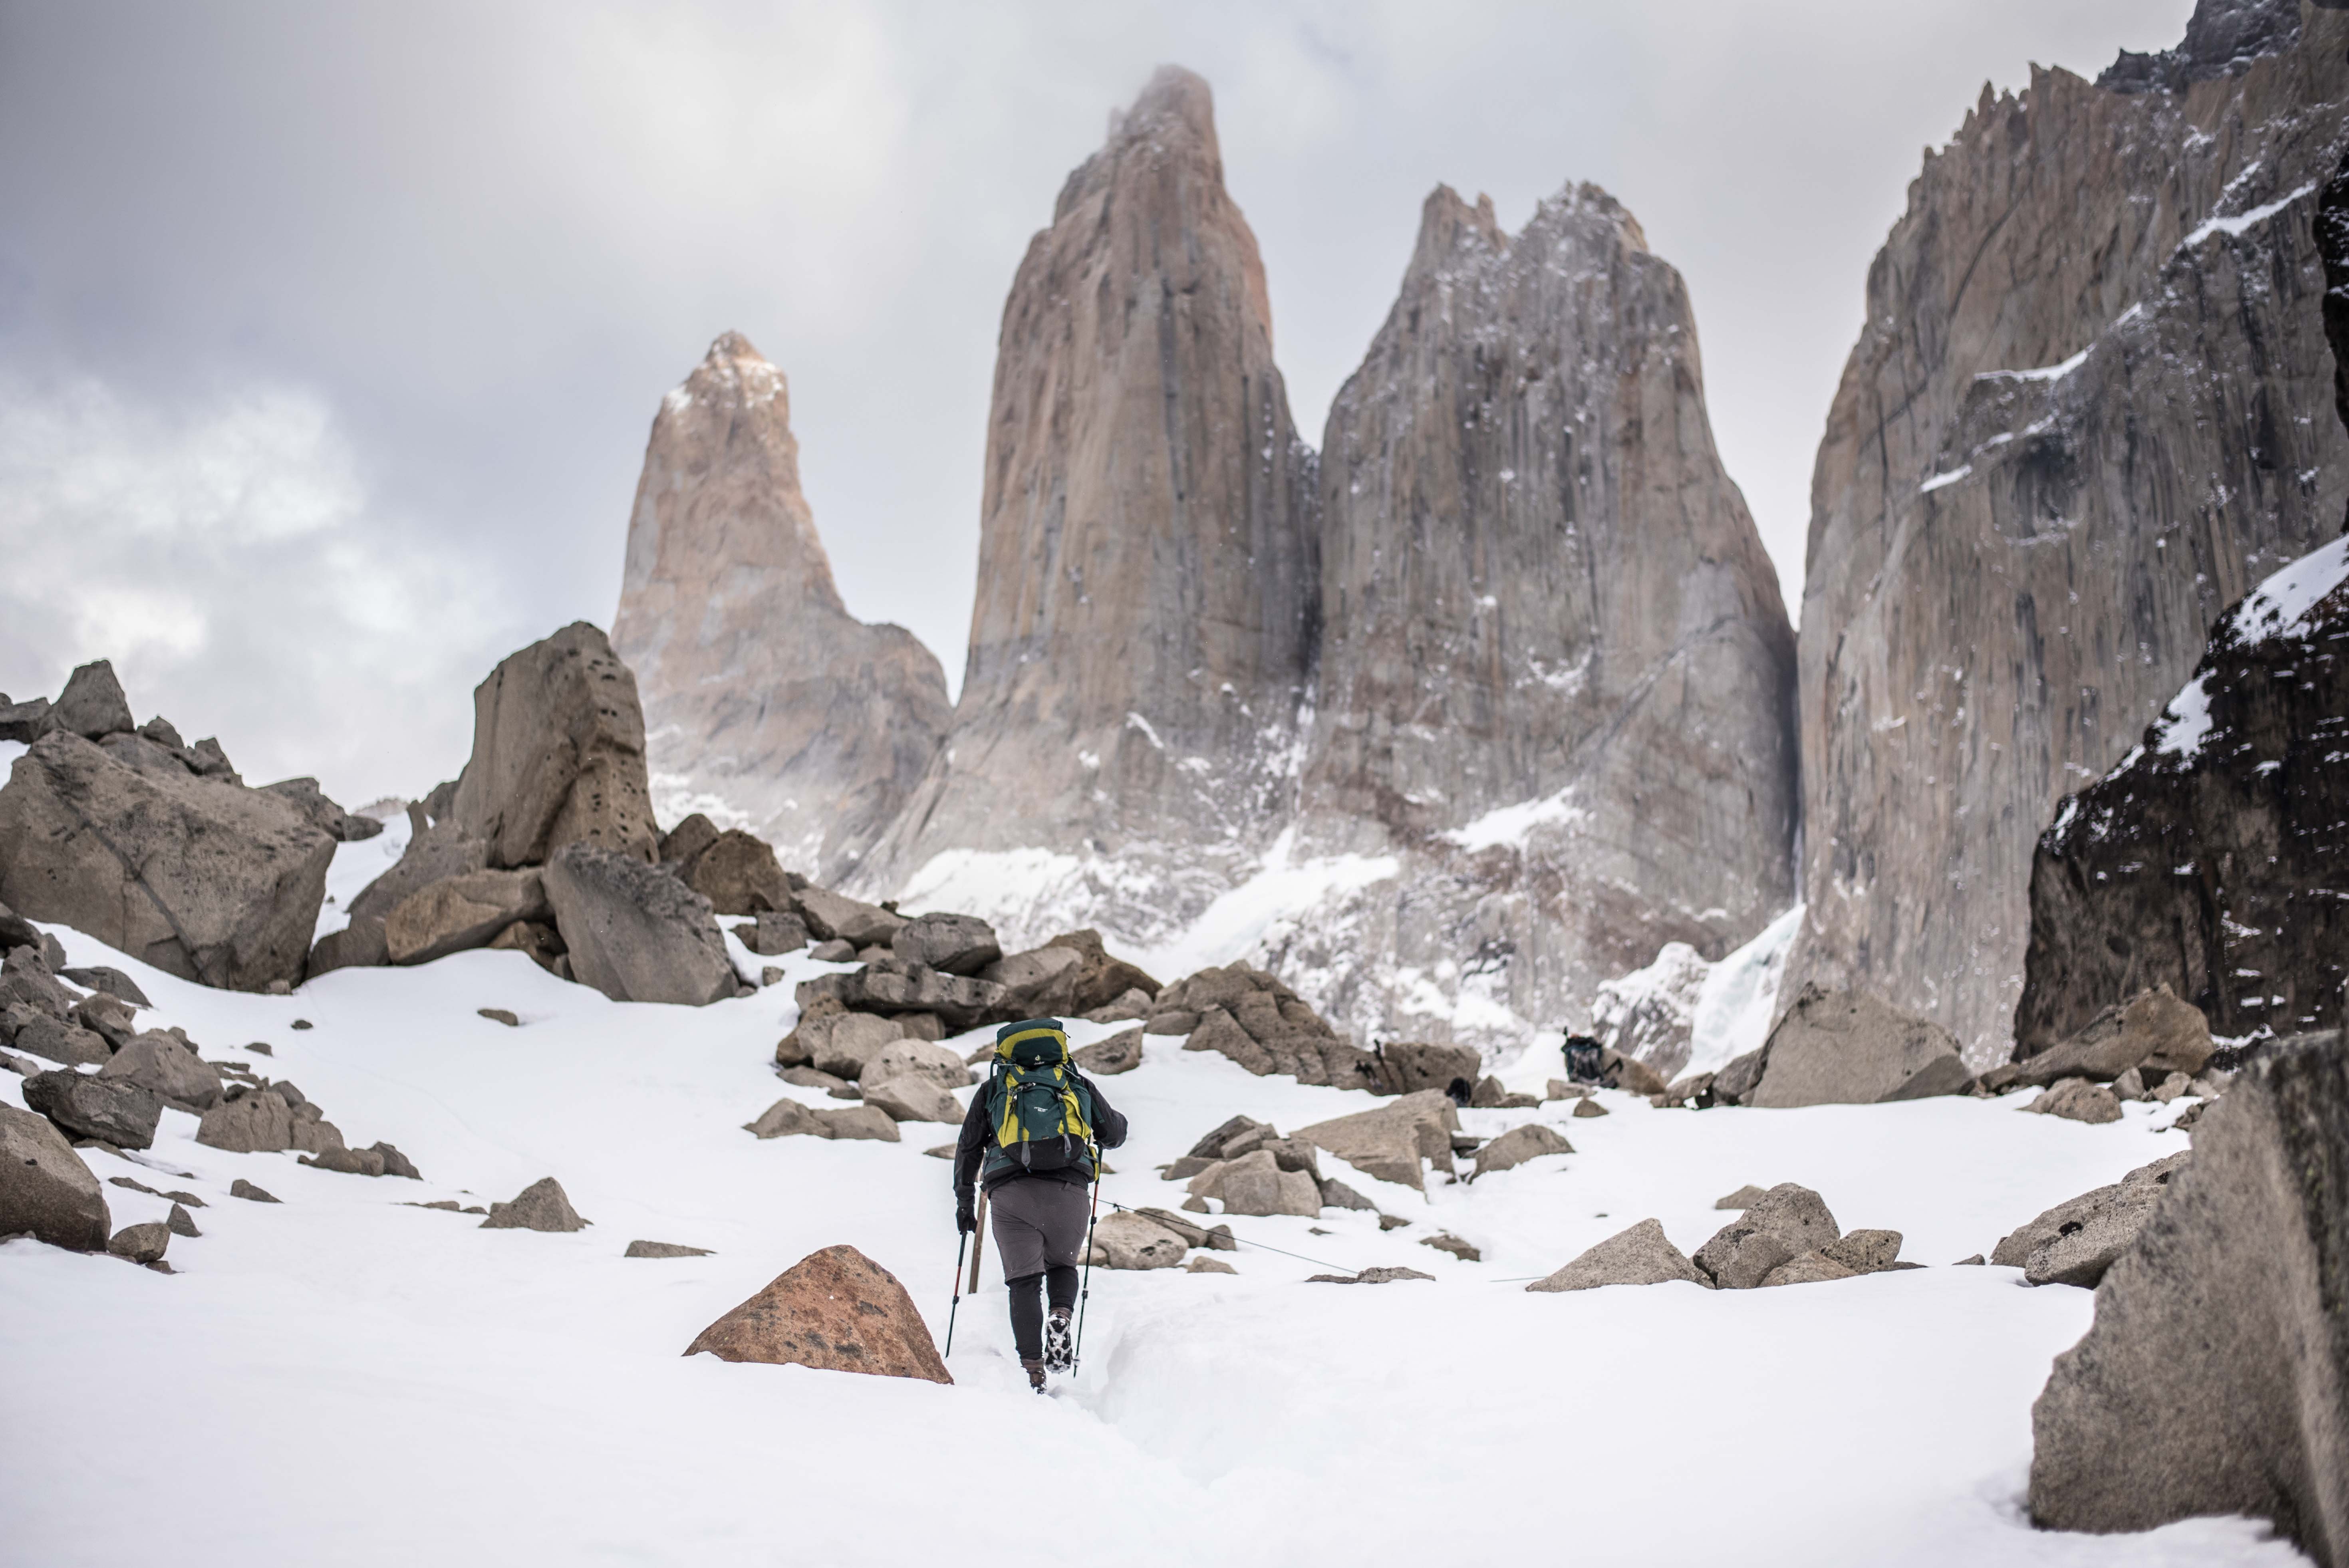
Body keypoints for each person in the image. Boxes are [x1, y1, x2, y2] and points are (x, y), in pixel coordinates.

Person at [952, 1016, 1129, 1392]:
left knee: (1024, 1282)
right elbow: (1112, 1135)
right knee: (1062, 1264)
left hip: (1011, 1198)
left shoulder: (994, 1089)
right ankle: (1061, 1314)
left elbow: (968, 1148)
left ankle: (1033, 1372)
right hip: (1069, 1193)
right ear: (1059, 1047)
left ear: (1005, 1052)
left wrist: (964, 1203)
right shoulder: (1075, 1084)